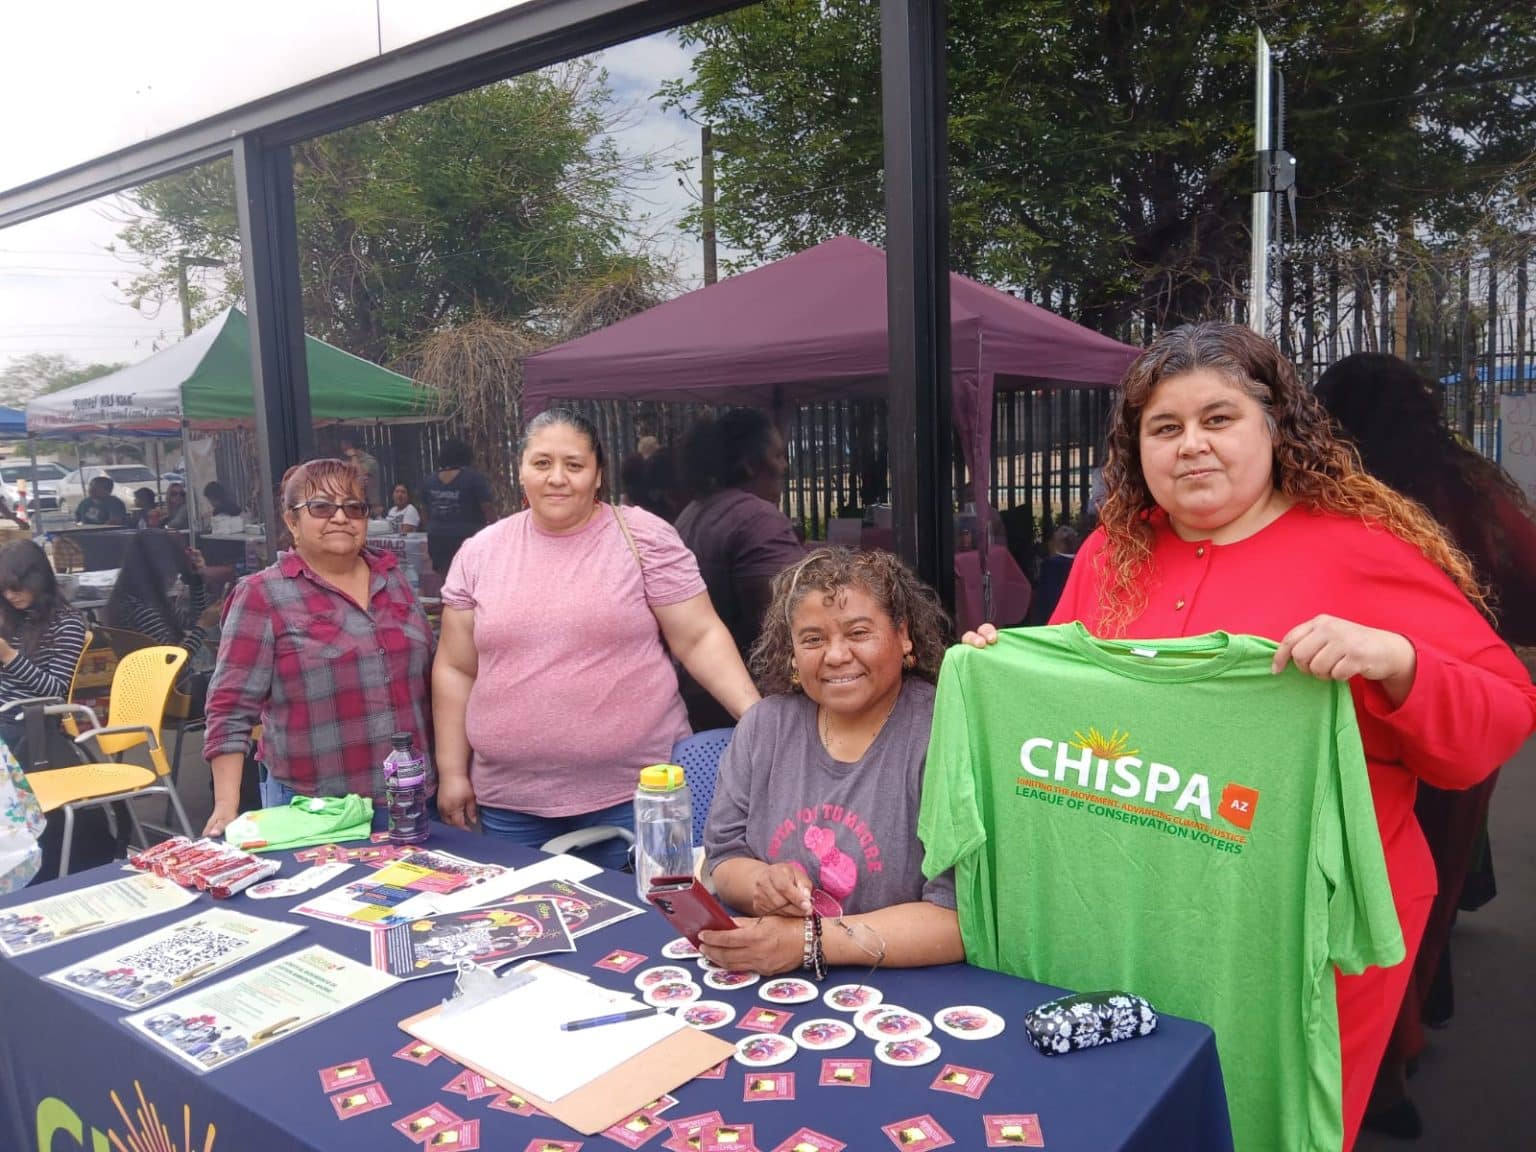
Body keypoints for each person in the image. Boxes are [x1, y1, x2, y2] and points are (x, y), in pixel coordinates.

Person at [962, 322, 1536, 1151]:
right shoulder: (1108, 555)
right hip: (1144, 906)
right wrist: (1010, 670)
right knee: (1123, 1110)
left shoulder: (1364, 549)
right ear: (1136, 449)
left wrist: (1399, 660)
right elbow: (1075, 716)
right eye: (1165, 428)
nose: (1191, 446)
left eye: (1219, 419)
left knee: (1269, 1125)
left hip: (1308, 925)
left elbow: (1502, 711)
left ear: (1275, 426)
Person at [1316, 350, 1536, 1136]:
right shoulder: (1472, 487)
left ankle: (1388, 1061)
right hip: (1453, 706)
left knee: (1357, 891)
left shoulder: (1338, 498)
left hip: (1362, 718)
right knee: (1427, 882)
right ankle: (1405, 1041)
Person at [432, 408, 760, 868]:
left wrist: (759, 720)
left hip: (638, 796)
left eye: (574, 464)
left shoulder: (642, 537)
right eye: (542, 463)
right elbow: (455, 667)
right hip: (509, 804)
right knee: (526, 931)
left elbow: (700, 637)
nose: (557, 478)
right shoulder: (481, 553)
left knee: (646, 929)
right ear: (521, 470)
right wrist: (451, 772)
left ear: (598, 473)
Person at [698, 548, 963, 976]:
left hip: (910, 991)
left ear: (904, 635)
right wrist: (762, 886)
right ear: (792, 652)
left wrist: (809, 941)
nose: (836, 655)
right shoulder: (764, 727)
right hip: (779, 983)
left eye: (858, 633)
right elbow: (725, 858)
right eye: (813, 639)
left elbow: (957, 920)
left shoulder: (944, 734)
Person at [201, 459, 434, 835]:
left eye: (354, 507)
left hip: (413, 801)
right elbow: (230, 708)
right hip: (315, 813)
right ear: (292, 522)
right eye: (321, 507)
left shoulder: (394, 581)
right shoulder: (262, 595)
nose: (340, 517)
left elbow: (432, 681)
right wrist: (226, 807)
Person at [674, 408, 805, 730]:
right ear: (750, 463)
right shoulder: (756, 519)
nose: (784, 466)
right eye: (777, 454)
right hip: (750, 705)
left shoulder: (695, 512)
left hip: (704, 701)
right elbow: (794, 613)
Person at [0, 540, 88, 762]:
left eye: (16, 588)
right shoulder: (15, 615)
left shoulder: (66, 622)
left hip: (25, 719)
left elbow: (56, 690)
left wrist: (9, 656)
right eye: (4, 590)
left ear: (38, 582)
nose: (10, 596)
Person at [104, 530, 211, 680]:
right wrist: (203, 627)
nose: (175, 577)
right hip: (174, 692)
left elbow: (191, 621)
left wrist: (196, 581)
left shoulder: (134, 598)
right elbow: (173, 665)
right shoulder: (142, 611)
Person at [421, 438, 495, 577]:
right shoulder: (473, 479)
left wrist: (433, 529)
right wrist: (497, 529)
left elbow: (424, 513)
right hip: (468, 538)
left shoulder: (429, 481)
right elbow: (487, 508)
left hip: (437, 539)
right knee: (472, 581)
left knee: (446, 582)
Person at [1025, 523, 1079, 624]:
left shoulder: (1050, 565)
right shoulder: (1082, 562)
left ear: (1056, 543)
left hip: (1052, 618)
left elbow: (1043, 598)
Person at [340, 435, 382, 514]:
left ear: (349, 444)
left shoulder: (369, 461)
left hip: (371, 508)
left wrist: (353, 455)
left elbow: (360, 478)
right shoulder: (348, 461)